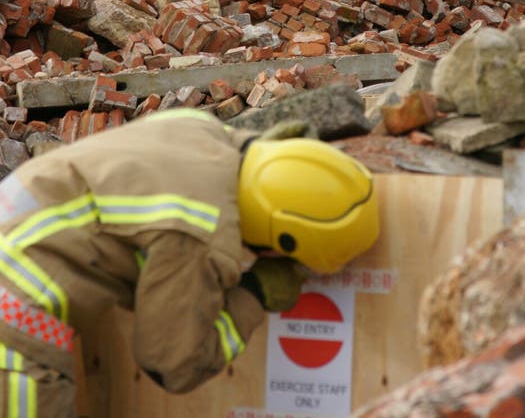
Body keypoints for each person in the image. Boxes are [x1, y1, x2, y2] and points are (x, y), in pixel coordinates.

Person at [0, 108, 379, 415]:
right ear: (276, 242)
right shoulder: (197, 232)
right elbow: (170, 363)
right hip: (15, 323)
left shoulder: (197, 127)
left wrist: (277, 159)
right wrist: (256, 293)